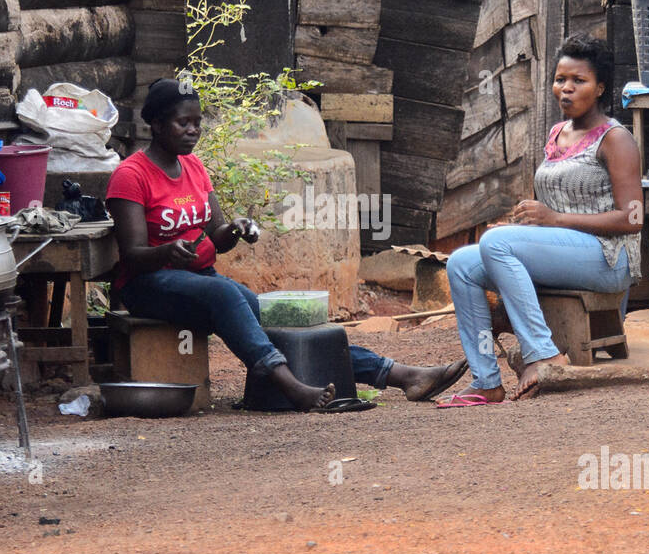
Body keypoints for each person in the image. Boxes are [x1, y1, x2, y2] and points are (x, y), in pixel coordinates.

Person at [105, 78, 468, 412]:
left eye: (197, 122)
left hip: (201, 279)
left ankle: (400, 375)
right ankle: (289, 386)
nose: (193, 130)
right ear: (155, 123)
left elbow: (217, 235)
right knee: (227, 296)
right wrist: (167, 252)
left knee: (278, 319)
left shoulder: (194, 167)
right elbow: (133, 257)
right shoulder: (131, 175)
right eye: (183, 123)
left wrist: (236, 229)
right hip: (148, 285)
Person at [441, 34, 643, 405]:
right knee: (462, 263)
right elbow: (549, 215)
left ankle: (544, 355)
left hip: (609, 257)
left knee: (495, 245)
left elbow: (633, 219)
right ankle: (486, 380)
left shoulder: (616, 139)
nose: (566, 89)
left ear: (599, 88)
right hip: (567, 250)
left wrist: (553, 218)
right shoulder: (556, 133)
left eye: (578, 81)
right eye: (560, 79)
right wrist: (525, 225)